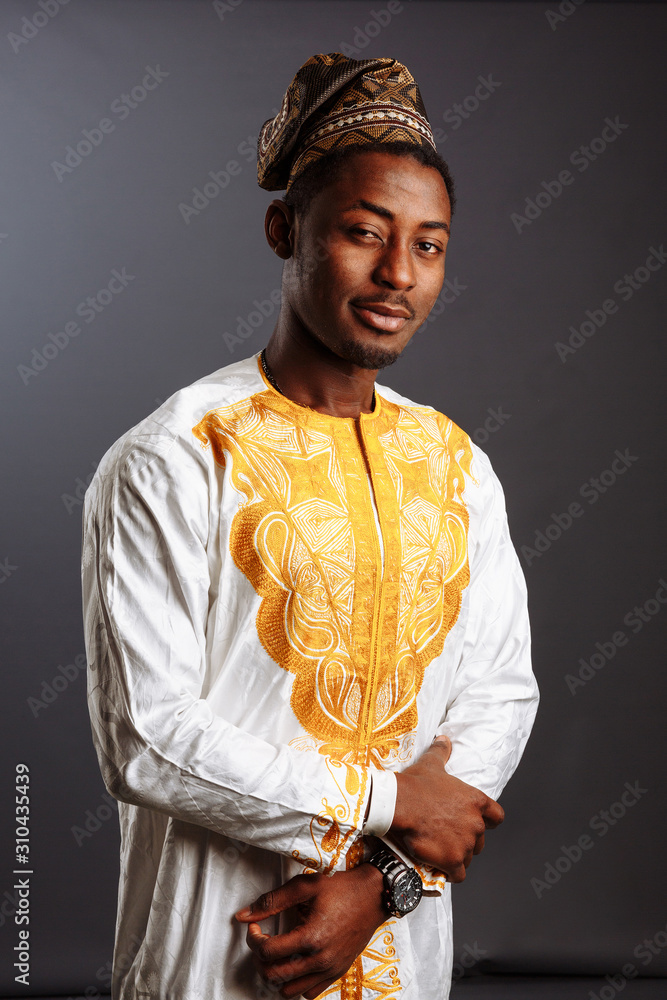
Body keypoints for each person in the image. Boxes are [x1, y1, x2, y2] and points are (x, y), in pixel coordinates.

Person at [81, 53, 539, 1000]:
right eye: (363, 233)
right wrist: (386, 802)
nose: (396, 274)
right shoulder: (176, 458)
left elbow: (497, 694)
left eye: (428, 245)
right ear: (285, 230)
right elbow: (146, 737)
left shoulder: (455, 465)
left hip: (401, 954)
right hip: (216, 954)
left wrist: (384, 883)